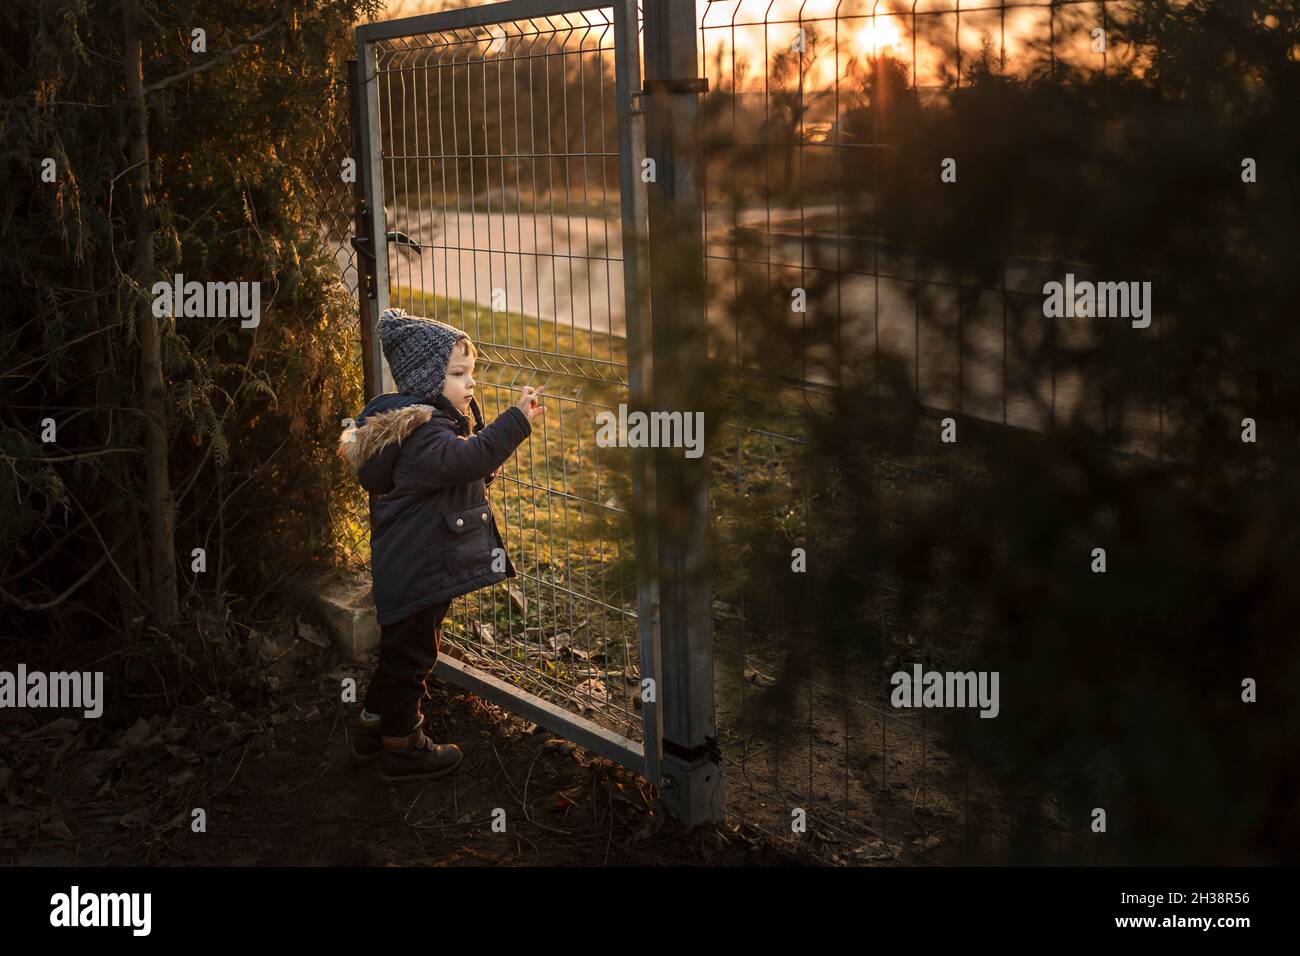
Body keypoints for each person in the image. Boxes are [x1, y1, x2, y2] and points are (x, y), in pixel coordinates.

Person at [337, 307, 544, 783]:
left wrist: (482, 463)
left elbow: (456, 472)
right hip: (419, 569)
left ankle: (373, 727)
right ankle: (402, 747)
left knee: (401, 652)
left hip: (414, 565)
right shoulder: (426, 430)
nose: (470, 384)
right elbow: (464, 459)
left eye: (471, 374)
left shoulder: (427, 428)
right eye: (458, 374)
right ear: (429, 379)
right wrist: (515, 421)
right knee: (413, 656)